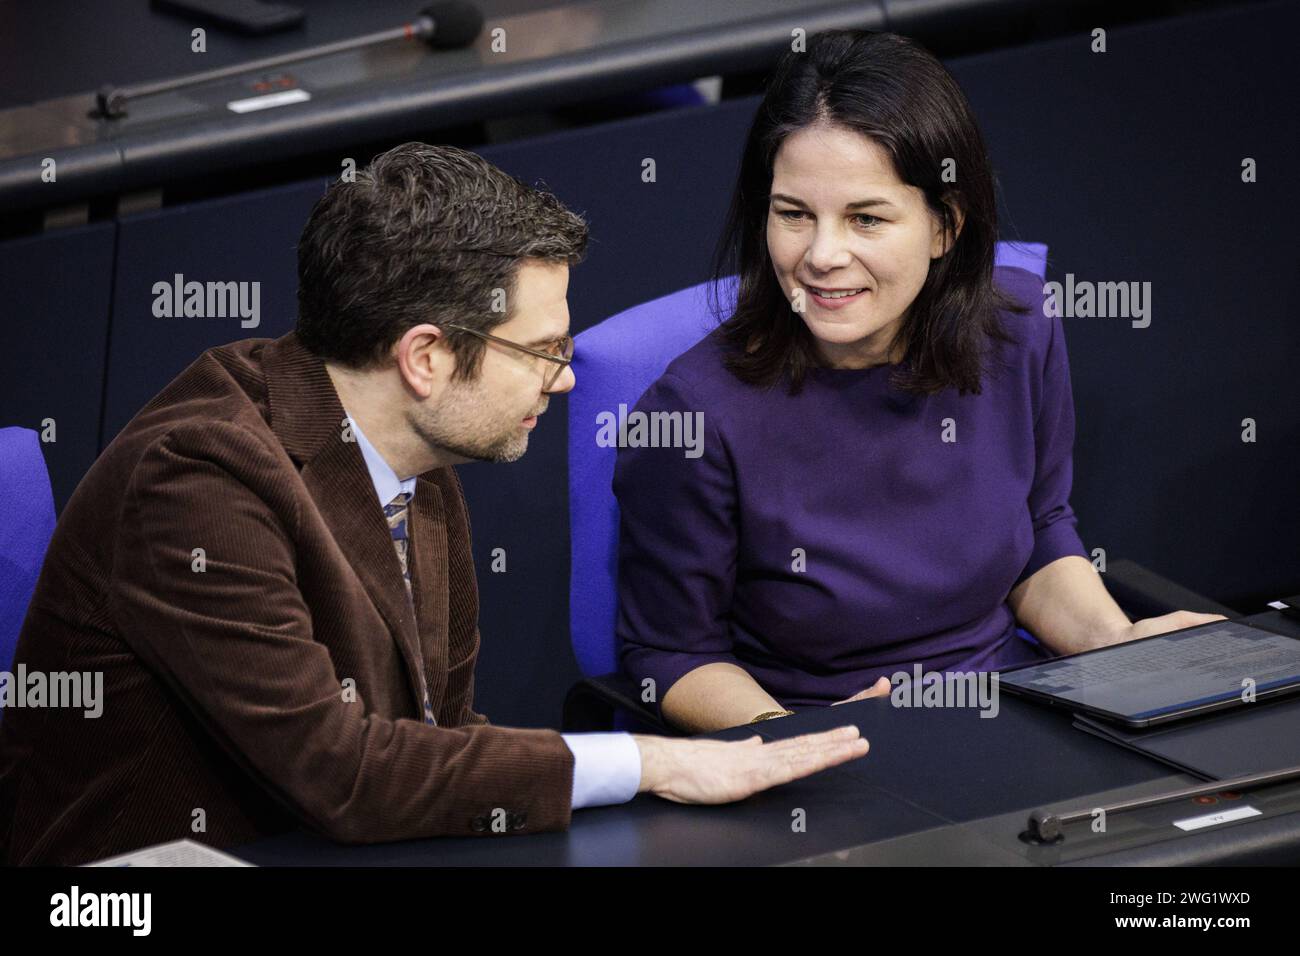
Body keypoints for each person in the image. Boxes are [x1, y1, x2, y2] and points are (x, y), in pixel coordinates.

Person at [0, 143, 870, 866]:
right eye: (541, 351)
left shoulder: (420, 458)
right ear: (424, 357)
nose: (566, 380)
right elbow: (340, 770)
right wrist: (649, 762)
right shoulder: (195, 481)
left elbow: (438, 734)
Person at [613, 30, 1224, 734]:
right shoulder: (692, 416)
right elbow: (670, 654)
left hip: (1015, 714)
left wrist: (1118, 654)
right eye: (793, 215)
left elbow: (1041, 535)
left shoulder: (1020, 326)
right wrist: (797, 740)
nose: (822, 256)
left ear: (945, 227)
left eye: (866, 219)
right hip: (821, 740)